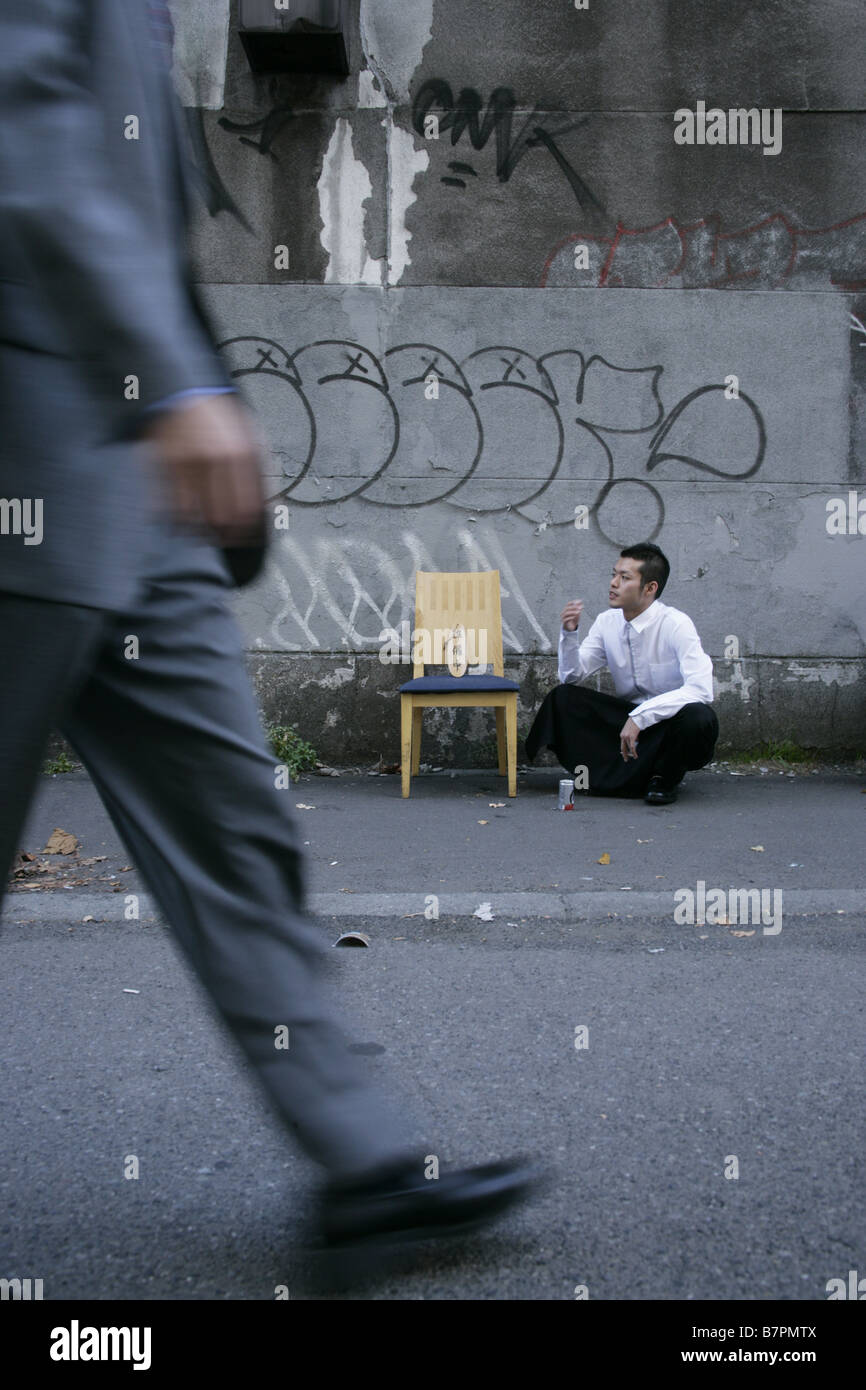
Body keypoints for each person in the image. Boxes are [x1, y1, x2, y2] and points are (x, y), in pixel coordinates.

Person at [0, 0, 538, 1280]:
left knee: (237, 826)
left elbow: (135, 212)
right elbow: (28, 148)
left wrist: (193, 394)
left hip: (142, 493)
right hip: (27, 465)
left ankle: (366, 1167)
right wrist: (174, 385)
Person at [525, 543, 718, 804]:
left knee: (699, 716)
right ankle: (611, 776)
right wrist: (569, 634)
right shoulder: (608, 622)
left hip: (665, 727)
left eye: (625, 578)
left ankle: (664, 779)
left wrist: (641, 717)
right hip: (626, 726)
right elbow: (571, 677)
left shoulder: (676, 624)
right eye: (614, 574)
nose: (614, 583)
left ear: (650, 588)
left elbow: (701, 689)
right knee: (564, 697)